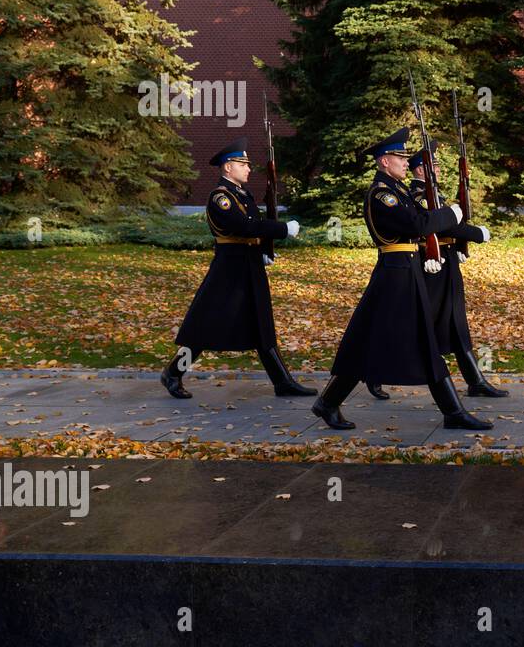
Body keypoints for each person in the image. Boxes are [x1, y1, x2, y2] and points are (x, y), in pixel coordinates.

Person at [311, 128, 492, 431]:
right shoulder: (383, 195)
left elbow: (420, 224)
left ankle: (327, 403)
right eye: (400, 157)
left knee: (385, 341)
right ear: (384, 161)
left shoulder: (399, 191)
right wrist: (452, 214)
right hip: (394, 274)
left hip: (404, 271)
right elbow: (417, 224)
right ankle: (452, 412)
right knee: (401, 340)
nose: (406, 163)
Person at [162, 137, 315, 399]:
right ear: (227, 167)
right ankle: (173, 373)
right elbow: (242, 227)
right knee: (204, 328)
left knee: (262, 324)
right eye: (242, 164)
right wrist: (282, 230)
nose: (248, 169)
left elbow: (253, 228)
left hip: (248, 265)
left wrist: (261, 251)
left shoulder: (242, 195)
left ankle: (282, 381)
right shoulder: (220, 198)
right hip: (228, 270)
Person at [368, 147, 508, 401]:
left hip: (440, 261)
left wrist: (456, 246)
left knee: (453, 323)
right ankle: (374, 374)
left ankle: (473, 382)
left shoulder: (407, 192)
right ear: (422, 169)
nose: (440, 170)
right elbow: (426, 225)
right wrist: (476, 234)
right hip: (429, 267)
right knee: (419, 328)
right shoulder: (407, 194)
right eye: (435, 165)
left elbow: (438, 225)